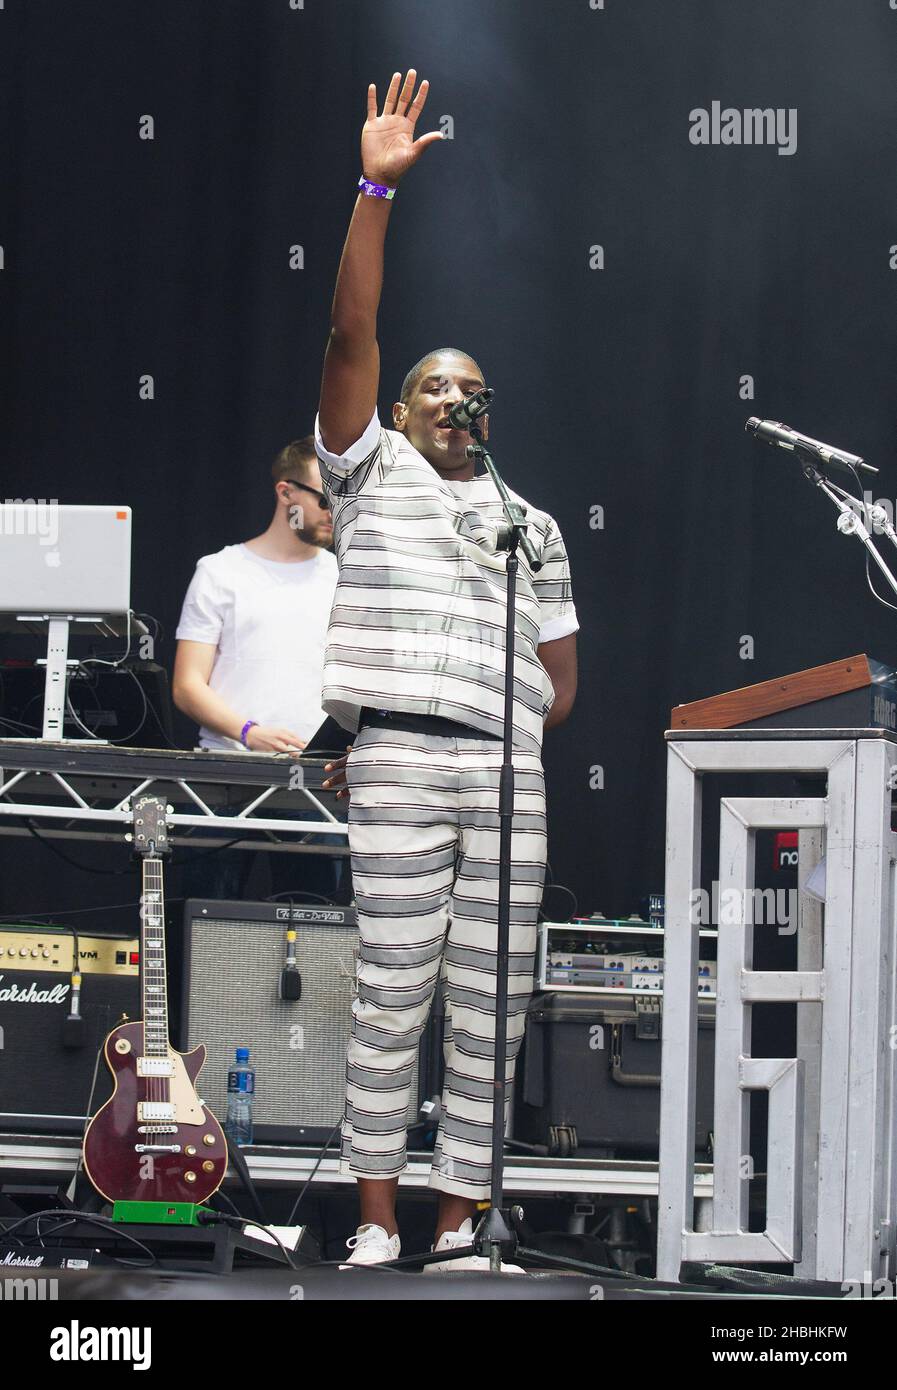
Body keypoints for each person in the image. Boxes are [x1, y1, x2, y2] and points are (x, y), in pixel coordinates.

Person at [316, 70, 579, 1269]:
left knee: (490, 1011)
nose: (453, 400)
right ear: (404, 409)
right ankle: (376, 1224)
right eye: (435, 387)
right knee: (390, 993)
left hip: (506, 769)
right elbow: (350, 331)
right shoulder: (370, 477)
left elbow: (561, 675)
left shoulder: (534, 522)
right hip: (405, 754)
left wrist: (512, 725)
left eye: (472, 390)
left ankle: (461, 1223)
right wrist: (376, 188)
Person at [173, 437, 340, 900]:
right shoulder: (220, 571)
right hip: (224, 778)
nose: (334, 511)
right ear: (286, 493)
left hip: (314, 782)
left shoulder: (345, 581)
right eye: (325, 498)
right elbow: (187, 684)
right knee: (199, 931)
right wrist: (250, 732)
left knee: (316, 937)